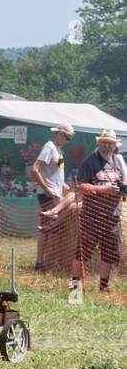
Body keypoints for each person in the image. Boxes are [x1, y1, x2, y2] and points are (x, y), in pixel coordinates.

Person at [73, 128, 126, 293]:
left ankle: (104, 287)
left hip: (113, 216)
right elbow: (80, 186)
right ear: (99, 144)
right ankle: (74, 288)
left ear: (115, 145)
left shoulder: (118, 161)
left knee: (109, 254)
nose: (107, 146)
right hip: (92, 216)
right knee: (83, 252)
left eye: (110, 143)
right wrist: (104, 190)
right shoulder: (90, 162)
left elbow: (123, 183)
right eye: (104, 143)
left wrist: (122, 189)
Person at [30, 123, 75, 272]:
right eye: (67, 137)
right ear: (60, 134)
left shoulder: (58, 149)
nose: (68, 141)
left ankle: (45, 261)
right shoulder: (49, 147)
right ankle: (40, 262)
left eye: (70, 139)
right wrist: (46, 189)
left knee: (50, 228)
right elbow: (34, 169)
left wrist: (62, 185)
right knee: (47, 229)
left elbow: (53, 172)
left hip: (56, 192)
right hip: (49, 195)